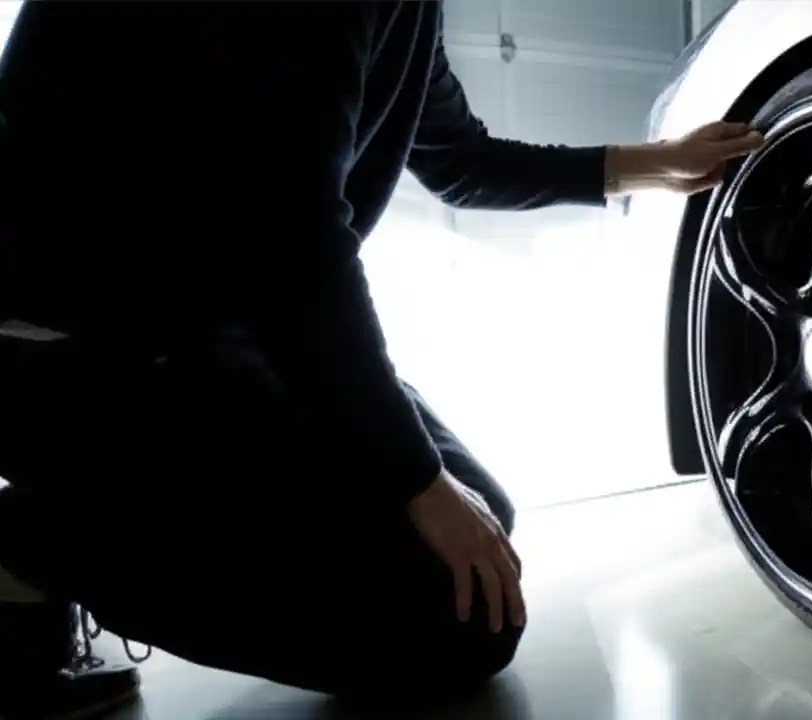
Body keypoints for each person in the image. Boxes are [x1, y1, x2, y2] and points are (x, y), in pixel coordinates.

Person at [0, 2, 762, 717]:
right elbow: (294, 249)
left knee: (479, 528)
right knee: (457, 624)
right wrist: (415, 479)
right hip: (75, 361)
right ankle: (31, 545)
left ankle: (99, 518)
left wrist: (652, 165)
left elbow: (457, 159)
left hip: (213, 328)